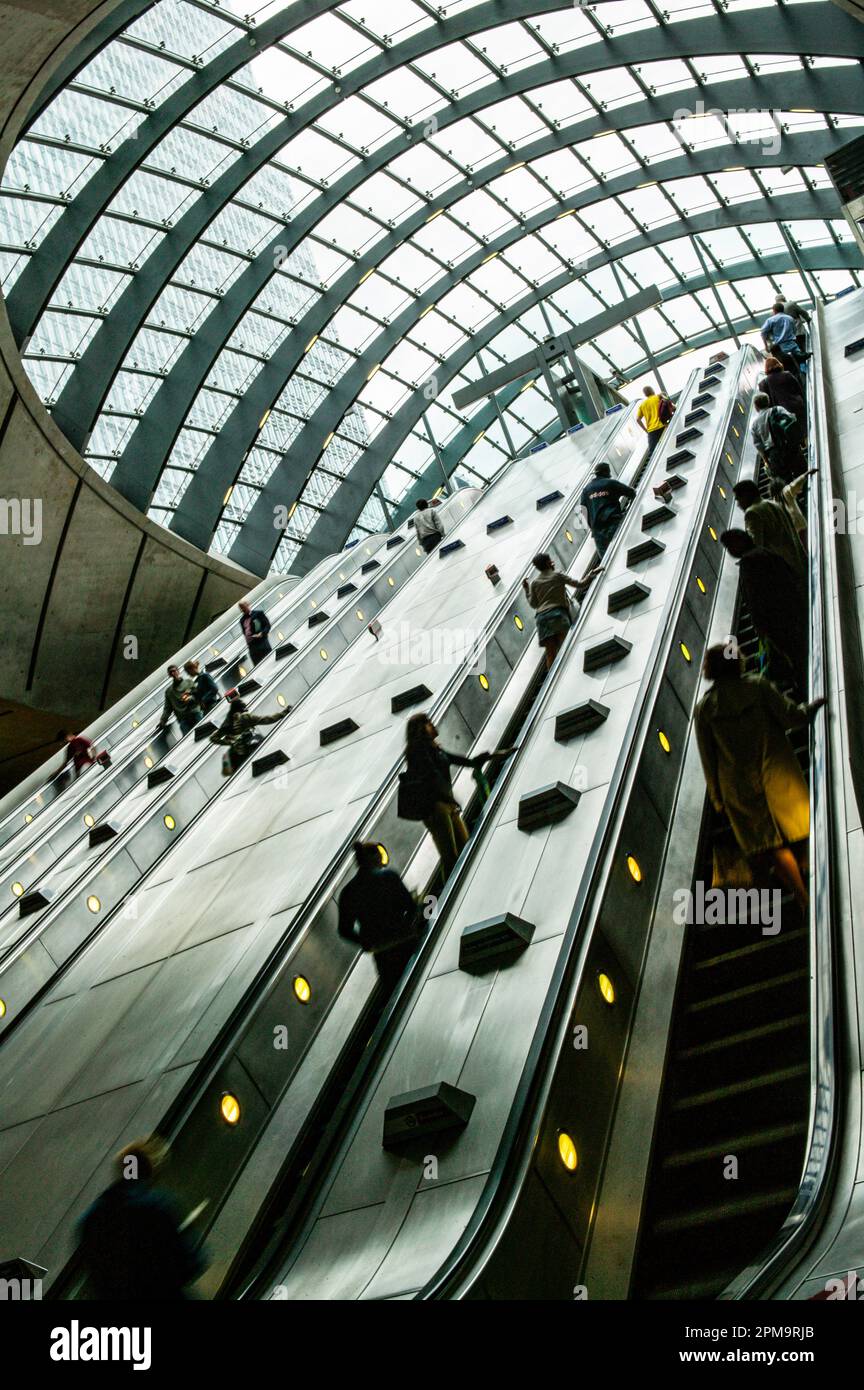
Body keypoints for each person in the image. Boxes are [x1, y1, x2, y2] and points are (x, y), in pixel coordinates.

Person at [695, 644, 824, 913]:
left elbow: (709, 760)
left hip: (738, 789)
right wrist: (810, 708)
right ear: (737, 662)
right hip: (776, 773)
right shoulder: (757, 686)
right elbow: (791, 717)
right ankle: (817, 877)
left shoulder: (705, 709)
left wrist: (719, 801)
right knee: (800, 832)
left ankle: (803, 898)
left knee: (770, 844)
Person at [77, 1137, 205, 1300]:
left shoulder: (89, 1220)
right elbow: (188, 1266)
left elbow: (97, 1281)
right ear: (150, 1169)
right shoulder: (157, 1206)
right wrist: (185, 1232)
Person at [402, 713, 513, 877]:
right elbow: (429, 776)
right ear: (421, 729)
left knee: (465, 848)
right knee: (450, 857)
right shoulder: (418, 751)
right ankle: (441, 899)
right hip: (435, 808)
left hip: (448, 805)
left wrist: (494, 755)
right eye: (428, 723)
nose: (433, 725)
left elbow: (465, 761)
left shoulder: (436, 750)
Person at [720, 530, 808, 692]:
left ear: (740, 541)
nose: (729, 550)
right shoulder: (765, 553)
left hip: (779, 625)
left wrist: (764, 630)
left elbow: (756, 601)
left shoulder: (749, 563)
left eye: (730, 545)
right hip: (795, 613)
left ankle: (804, 687)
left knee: (796, 661)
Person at [337, 842, 423, 991]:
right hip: (405, 941)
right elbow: (410, 907)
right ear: (375, 856)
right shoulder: (389, 876)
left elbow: (344, 930)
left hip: (382, 953)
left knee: (396, 990)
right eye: (379, 855)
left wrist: (367, 943)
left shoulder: (348, 893)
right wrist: (411, 925)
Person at [522, 553, 597, 670]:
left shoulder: (535, 583)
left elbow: (534, 604)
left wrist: (527, 590)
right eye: (550, 559)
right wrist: (590, 575)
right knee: (566, 644)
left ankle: (552, 678)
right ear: (548, 562)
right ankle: (574, 670)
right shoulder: (557, 575)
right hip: (557, 614)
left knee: (550, 653)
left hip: (541, 619)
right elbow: (579, 584)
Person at [731, 479, 806, 582]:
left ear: (746, 495)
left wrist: (745, 562)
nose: (738, 504)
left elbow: (756, 547)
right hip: (799, 561)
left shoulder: (752, 513)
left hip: (786, 572)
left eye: (738, 499)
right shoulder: (772, 504)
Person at [209, 697, 287, 774]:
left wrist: (231, 742)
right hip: (253, 747)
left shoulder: (226, 723)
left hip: (240, 755)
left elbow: (213, 738)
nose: (246, 709)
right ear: (241, 708)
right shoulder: (245, 717)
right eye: (244, 707)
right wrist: (282, 713)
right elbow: (267, 719)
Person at [579, 461, 636, 559]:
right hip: (612, 522)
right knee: (623, 551)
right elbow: (631, 493)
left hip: (597, 531)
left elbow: (583, 510)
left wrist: (591, 526)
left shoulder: (586, 490)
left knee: (607, 559)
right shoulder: (610, 483)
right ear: (606, 472)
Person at [750, 393, 802, 485]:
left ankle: (793, 496)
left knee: (786, 481)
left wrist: (766, 460)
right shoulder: (778, 409)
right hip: (789, 446)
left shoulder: (754, 424)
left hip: (774, 455)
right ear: (768, 402)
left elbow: (758, 445)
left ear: (756, 406)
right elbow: (792, 418)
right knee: (801, 471)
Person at [759, 355, 805, 435]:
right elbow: (798, 389)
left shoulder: (764, 383)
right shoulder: (787, 374)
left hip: (781, 412)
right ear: (778, 364)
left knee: (790, 431)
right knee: (803, 426)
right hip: (796, 405)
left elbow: (767, 403)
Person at [760, 302, 804, 377]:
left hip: (780, 348)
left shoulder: (770, 320)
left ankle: (792, 379)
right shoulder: (790, 318)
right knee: (801, 360)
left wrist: (766, 345)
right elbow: (794, 330)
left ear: (774, 310)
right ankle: (804, 375)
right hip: (792, 344)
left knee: (786, 367)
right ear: (783, 309)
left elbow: (763, 332)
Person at [156, 665, 201, 735]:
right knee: (186, 739)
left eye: (174, 671)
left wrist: (192, 698)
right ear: (169, 675)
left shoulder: (188, 682)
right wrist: (163, 720)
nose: (173, 673)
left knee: (203, 728)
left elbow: (198, 694)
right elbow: (168, 708)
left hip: (195, 712)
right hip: (183, 718)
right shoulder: (169, 691)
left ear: (178, 671)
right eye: (171, 672)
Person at [636, 384, 671, 458]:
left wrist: (646, 430)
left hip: (651, 431)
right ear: (652, 391)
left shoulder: (642, 405)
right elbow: (668, 404)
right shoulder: (658, 397)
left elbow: (638, 419)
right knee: (670, 442)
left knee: (652, 453)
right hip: (663, 426)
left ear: (645, 394)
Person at [238, 600, 272, 665]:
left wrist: (261, 633)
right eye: (241, 608)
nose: (242, 609)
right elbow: (244, 633)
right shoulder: (242, 620)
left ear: (248, 605)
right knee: (257, 666)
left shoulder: (258, 614)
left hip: (262, 644)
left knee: (268, 662)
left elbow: (267, 625)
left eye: (243, 607)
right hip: (252, 647)